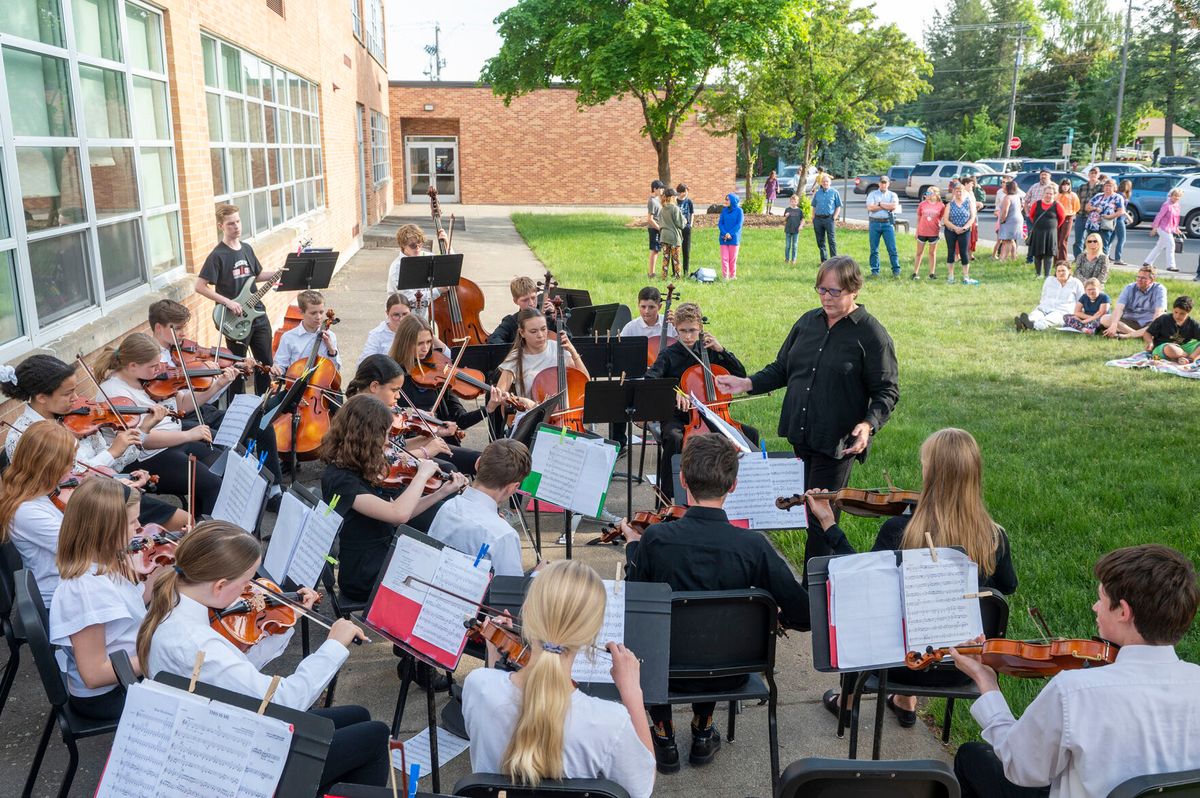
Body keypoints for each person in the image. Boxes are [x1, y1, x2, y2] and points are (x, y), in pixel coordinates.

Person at [138, 521, 391, 792]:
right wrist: (333, 646)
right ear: (220, 586)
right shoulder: (199, 643)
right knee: (375, 737)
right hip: (231, 762)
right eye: (247, 581)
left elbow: (233, 674)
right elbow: (285, 701)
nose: (253, 590)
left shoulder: (172, 608)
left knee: (358, 715)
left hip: (213, 728)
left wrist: (282, 624)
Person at [620, 434, 809, 773]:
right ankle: (703, 730)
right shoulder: (753, 547)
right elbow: (804, 615)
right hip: (731, 672)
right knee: (711, 633)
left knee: (654, 633)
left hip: (665, 672)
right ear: (733, 485)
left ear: (682, 480)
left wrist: (634, 547)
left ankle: (663, 737)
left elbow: (634, 610)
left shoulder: (657, 539)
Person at [950, 544, 1200, 798]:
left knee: (973, 758)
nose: (1094, 607)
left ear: (1123, 612)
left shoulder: (1075, 691)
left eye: (1101, 599)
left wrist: (987, 684)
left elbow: (1021, 768)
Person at [804, 428, 1017, 725]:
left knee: (866, 606)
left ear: (929, 474)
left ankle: (848, 702)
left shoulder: (899, 531)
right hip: (962, 669)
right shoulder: (995, 538)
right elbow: (1008, 587)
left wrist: (828, 524)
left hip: (897, 665)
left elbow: (860, 578)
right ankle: (906, 702)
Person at [715, 257, 899, 569]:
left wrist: (869, 425)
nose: (826, 297)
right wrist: (747, 383)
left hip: (836, 443)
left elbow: (887, 390)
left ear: (854, 290)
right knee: (808, 513)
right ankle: (815, 591)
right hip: (802, 437)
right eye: (821, 290)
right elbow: (783, 369)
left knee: (820, 519)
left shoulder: (871, 334)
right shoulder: (807, 322)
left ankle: (813, 599)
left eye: (834, 291)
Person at [462, 560, 654, 798]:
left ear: (528, 615)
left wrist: (494, 657)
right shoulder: (610, 723)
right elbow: (641, 788)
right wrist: (633, 693)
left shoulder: (477, 685)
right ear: (591, 634)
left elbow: (494, 704)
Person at [0, 355, 188, 531]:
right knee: (176, 527)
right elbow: (67, 482)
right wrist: (112, 452)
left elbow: (116, 463)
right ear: (41, 397)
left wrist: (143, 430)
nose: (76, 399)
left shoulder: (79, 418)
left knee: (185, 523)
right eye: (68, 393)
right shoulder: (23, 435)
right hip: (82, 511)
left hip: (111, 491)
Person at [318, 395, 467, 600]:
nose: (388, 442)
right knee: (447, 582)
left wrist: (442, 492)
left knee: (451, 568)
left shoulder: (359, 465)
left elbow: (397, 509)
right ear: (365, 437)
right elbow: (398, 514)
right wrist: (422, 475)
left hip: (383, 554)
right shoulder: (341, 480)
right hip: (365, 572)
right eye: (385, 436)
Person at [48, 479, 149, 720]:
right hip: (111, 694)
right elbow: (93, 675)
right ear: (106, 529)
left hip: (126, 674)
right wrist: (158, 659)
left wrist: (170, 574)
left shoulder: (101, 565)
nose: (140, 527)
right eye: (133, 521)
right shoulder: (84, 590)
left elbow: (128, 606)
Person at [98, 334, 227, 517]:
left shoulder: (147, 381)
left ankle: (198, 520)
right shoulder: (113, 393)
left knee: (223, 463)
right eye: (153, 366)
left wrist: (217, 385)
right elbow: (143, 439)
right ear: (132, 366)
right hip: (144, 458)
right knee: (213, 484)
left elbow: (182, 405)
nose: (159, 369)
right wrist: (189, 435)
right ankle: (206, 539)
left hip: (172, 442)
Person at [645, 302, 758, 504]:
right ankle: (669, 497)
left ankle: (745, 494)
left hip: (715, 414)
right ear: (676, 330)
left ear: (700, 328)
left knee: (749, 435)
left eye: (693, 331)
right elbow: (650, 382)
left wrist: (722, 350)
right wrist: (674, 393)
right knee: (673, 437)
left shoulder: (711, 352)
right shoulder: (668, 355)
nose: (688, 336)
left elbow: (740, 375)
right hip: (680, 416)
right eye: (683, 331)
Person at [388, 314, 510, 473]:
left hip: (441, 442)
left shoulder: (437, 374)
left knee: (486, 462)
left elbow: (459, 420)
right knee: (452, 469)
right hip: (411, 448)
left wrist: (488, 409)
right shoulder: (393, 378)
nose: (425, 348)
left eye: (428, 342)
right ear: (405, 344)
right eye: (419, 344)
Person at [195, 203, 280, 395]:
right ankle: (237, 409)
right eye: (231, 224)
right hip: (236, 320)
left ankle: (263, 405)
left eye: (238, 221)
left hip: (257, 315)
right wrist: (227, 302)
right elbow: (199, 286)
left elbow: (255, 276)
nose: (236, 226)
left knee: (265, 364)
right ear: (221, 227)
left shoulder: (247, 249)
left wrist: (278, 273)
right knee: (238, 368)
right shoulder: (217, 255)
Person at [0, 421, 80, 602]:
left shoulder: (47, 494)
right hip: (60, 597)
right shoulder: (26, 511)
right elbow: (79, 549)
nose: (73, 468)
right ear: (50, 467)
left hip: (76, 583)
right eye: (70, 462)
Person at [428, 439, 531, 578]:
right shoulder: (504, 535)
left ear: (477, 464)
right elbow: (509, 590)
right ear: (513, 487)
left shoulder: (449, 506)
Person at [342, 353, 453, 469]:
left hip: (393, 467)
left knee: (451, 466)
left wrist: (434, 433)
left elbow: (399, 446)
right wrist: (426, 451)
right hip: (378, 477)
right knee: (447, 469)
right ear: (374, 386)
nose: (398, 396)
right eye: (394, 390)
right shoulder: (361, 418)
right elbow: (382, 461)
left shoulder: (386, 410)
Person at [496, 309, 589, 408]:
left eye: (543, 329)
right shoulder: (516, 358)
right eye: (533, 331)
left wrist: (573, 352)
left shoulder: (559, 349)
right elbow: (501, 394)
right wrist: (520, 401)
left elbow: (585, 383)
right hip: (532, 418)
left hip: (565, 416)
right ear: (522, 333)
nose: (540, 335)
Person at [272, 289, 341, 374]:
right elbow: (280, 365)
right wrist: (276, 371)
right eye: (313, 313)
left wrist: (331, 350)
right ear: (301, 312)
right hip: (296, 384)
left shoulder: (330, 336)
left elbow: (336, 370)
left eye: (321, 312)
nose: (318, 317)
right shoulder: (288, 338)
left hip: (322, 384)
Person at [384, 222, 450, 301]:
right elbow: (408, 297)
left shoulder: (428, 257)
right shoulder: (397, 267)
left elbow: (450, 266)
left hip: (425, 311)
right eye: (413, 245)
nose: (418, 248)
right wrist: (437, 291)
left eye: (420, 244)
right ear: (402, 245)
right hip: (405, 312)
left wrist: (447, 245)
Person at [1101, 265, 1168, 338]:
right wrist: (1114, 324)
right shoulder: (1129, 288)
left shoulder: (1159, 289)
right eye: (1138, 277)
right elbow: (1119, 308)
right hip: (1130, 321)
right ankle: (1140, 335)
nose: (1139, 280)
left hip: (1148, 323)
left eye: (1143, 278)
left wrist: (1154, 326)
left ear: (1152, 280)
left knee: (1162, 322)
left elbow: (1159, 312)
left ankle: (1126, 336)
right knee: (1105, 319)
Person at [1015, 262, 1084, 332]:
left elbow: (1081, 301)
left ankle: (1033, 326)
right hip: (1045, 307)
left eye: (1063, 270)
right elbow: (1044, 295)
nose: (1060, 273)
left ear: (1069, 271)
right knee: (1035, 315)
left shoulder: (1076, 283)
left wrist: (1078, 315)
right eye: (1058, 271)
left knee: (1049, 320)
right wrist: (1042, 305)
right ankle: (1025, 323)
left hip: (1062, 311)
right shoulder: (1050, 280)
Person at [487, 276, 555, 347]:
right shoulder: (511, 322)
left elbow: (565, 336)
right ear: (515, 301)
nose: (531, 303)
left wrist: (555, 319)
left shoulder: (548, 317)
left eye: (533, 298)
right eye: (525, 300)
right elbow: (493, 340)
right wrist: (518, 350)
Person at [358, 293, 413, 365]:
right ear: (387, 313)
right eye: (396, 315)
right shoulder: (376, 335)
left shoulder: (417, 329)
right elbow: (364, 363)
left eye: (405, 314)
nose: (401, 319)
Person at [1143, 296, 1200, 364]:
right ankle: (1186, 358)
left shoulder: (1192, 323)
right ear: (1173, 309)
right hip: (1162, 350)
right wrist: (1150, 343)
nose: (1177, 316)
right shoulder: (1163, 319)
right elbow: (1147, 333)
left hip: (1183, 347)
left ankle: (1190, 359)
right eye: (1175, 312)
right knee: (1171, 348)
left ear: (1188, 312)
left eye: (1182, 314)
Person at [1027, 183, 1065, 279]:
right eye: (1047, 193)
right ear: (1043, 193)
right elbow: (1031, 216)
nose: (1048, 195)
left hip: (1050, 234)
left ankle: (1047, 275)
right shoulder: (1037, 204)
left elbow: (1061, 218)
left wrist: (1052, 227)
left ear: (1054, 195)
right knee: (1037, 254)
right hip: (1038, 232)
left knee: (1049, 255)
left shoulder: (1057, 205)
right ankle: (1038, 274)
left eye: (1051, 194)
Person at [942, 183, 978, 284]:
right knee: (951, 252)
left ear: (963, 192)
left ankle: (966, 276)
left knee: (964, 252)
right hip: (951, 231)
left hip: (964, 230)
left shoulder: (968, 203)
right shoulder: (950, 205)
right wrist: (955, 228)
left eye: (960, 191)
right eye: (956, 191)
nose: (958, 193)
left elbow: (972, 217)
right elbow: (945, 220)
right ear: (954, 192)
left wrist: (965, 227)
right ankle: (951, 276)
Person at [866, 175, 902, 277]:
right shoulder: (872, 194)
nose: (883, 184)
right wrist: (886, 206)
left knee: (892, 248)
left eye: (885, 183)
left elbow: (894, 206)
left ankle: (896, 270)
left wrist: (880, 204)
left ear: (888, 184)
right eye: (882, 182)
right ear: (879, 183)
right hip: (874, 223)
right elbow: (870, 208)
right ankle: (875, 271)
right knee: (874, 249)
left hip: (887, 223)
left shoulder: (892, 194)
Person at [1143, 188, 1184, 273]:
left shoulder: (1177, 205)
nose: (1176, 198)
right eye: (1175, 196)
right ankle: (1171, 266)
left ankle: (1147, 262)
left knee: (1159, 246)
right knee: (1171, 244)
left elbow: (1175, 219)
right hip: (1162, 228)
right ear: (1171, 196)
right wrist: (1154, 228)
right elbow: (1159, 216)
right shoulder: (1167, 205)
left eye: (1178, 196)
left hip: (1169, 229)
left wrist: (1176, 228)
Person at [1022, 171, 1054, 267]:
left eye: (1045, 175)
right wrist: (1027, 213)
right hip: (1032, 217)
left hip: (1046, 219)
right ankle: (1030, 258)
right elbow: (1026, 200)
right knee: (1031, 238)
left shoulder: (1053, 187)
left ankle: (1042, 260)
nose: (1043, 176)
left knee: (1044, 239)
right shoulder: (1034, 186)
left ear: (1050, 176)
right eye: (1042, 175)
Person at [1085, 179, 1126, 251]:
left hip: (1105, 225)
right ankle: (1090, 261)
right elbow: (1087, 207)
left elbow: (1121, 211)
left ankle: (1102, 262)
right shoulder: (1098, 195)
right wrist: (1095, 208)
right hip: (1092, 225)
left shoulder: (1117, 197)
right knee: (1090, 246)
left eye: (1110, 186)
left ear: (1114, 187)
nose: (1107, 188)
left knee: (1103, 246)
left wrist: (1109, 217)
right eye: (1106, 186)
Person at [913, 187, 944, 278]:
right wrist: (917, 231)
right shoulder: (922, 204)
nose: (927, 194)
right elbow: (918, 218)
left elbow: (942, 217)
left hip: (934, 232)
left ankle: (932, 273)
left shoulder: (941, 205)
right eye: (927, 193)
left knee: (932, 253)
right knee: (919, 253)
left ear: (936, 194)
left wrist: (940, 224)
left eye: (930, 193)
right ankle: (915, 273)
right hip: (922, 231)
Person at [811, 173, 843, 261]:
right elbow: (814, 205)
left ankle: (834, 261)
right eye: (824, 181)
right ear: (821, 183)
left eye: (827, 181)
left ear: (830, 183)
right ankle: (824, 261)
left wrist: (834, 217)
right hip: (818, 219)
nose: (825, 183)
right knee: (820, 241)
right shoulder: (818, 193)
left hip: (829, 219)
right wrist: (813, 217)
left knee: (831, 240)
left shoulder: (834, 192)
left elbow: (838, 206)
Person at [1072, 166, 1103, 257]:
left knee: (1092, 239)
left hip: (1093, 218)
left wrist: (1093, 208)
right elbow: (1076, 201)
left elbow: (1103, 202)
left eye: (1095, 173)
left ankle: (1090, 257)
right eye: (1091, 173)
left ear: (1098, 175)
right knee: (1079, 239)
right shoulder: (1082, 187)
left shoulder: (1101, 187)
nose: (1093, 175)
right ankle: (1078, 258)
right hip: (1081, 215)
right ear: (1088, 174)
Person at [658, 188, 685, 279]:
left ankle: (663, 276)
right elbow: (680, 224)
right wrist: (685, 220)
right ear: (673, 197)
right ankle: (677, 277)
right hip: (674, 237)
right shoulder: (675, 208)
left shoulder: (662, 209)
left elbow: (660, 223)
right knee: (676, 259)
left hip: (664, 236)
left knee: (665, 258)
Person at [717, 193, 744, 280]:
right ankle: (725, 276)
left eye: (727, 199)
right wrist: (725, 233)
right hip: (723, 238)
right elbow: (720, 223)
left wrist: (730, 233)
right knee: (724, 258)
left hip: (734, 238)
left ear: (733, 200)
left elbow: (739, 225)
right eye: (726, 199)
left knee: (732, 259)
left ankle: (732, 275)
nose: (726, 201)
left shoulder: (739, 211)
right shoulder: (724, 210)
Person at [995, 181, 1023, 261]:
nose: (1003, 187)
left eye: (1005, 186)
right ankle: (1014, 258)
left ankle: (1002, 258)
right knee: (1012, 240)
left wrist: (1002, 220)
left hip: (1010, 220)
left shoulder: (1007, 198)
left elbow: (1005, 211)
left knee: (1006, 240)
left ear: (1008, 188)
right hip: (1017, 219)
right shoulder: (1016, 196)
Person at [1055, 179, 1079, 264]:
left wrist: (1070, 214)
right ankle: (1056, 260)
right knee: (1056, 240)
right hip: (1057, 218)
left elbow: (1076, 207)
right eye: (1063, 185)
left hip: (1068, 218)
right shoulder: (1057, 195)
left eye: (1067, 185)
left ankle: (1063, 261)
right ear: (1061, 186)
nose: (1065, 187)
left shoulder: (1073, 195)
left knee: (1063, 240)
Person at [1110, 179, 1133, 265]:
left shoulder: (1119, 194)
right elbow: (1122, 210)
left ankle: (1106, 255)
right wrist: (1129, 217)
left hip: (1115, 219)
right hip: (1119, 219)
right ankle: (1118, 258)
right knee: (1122, 239)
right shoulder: (1121, 196)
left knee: (1111, 238)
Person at [646, 180, 664, 279]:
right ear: (655, 189)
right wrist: (659, 228)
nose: (662, 190)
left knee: (657, 250)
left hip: (659, 228)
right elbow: (650, 219)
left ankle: (652, 273)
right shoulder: (652, 201)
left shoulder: (658, 199)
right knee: (655, 250)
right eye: (660, 188)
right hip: (654, 229)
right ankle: (651, 273)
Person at [677, 183, 694, 274]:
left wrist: (690, 225)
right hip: (677, 229)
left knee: (686, 251)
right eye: (685, 191)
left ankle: (686, 272)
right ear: (681, 192)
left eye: (687, 191)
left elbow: (692, 213)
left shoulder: (689, 202)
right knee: (676, 251)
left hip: (686, 228)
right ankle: (676, 271)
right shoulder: (675, 201)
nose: (686, 193)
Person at [783, 195, 805, 265]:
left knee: (795, 245)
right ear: (790, 202)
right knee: (788, 245)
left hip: (796, 230)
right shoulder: (787, 209)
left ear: (797, 202)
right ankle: (787, 259)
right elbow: (784, 220)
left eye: (795, 201)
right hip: (788, 230)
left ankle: (793, 259)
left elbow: (803, 220)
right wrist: (786, 216)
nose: (793, 203)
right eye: (792, 201)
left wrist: (801, 226)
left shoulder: (799, 211)